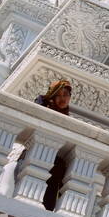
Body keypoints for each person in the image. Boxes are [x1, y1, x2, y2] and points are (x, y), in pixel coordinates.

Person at [33, 79, 71, 209]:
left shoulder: (67, 117)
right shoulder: (44, 107)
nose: (62, 99)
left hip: (54, 161)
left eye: (65, 94)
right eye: (58, 95)